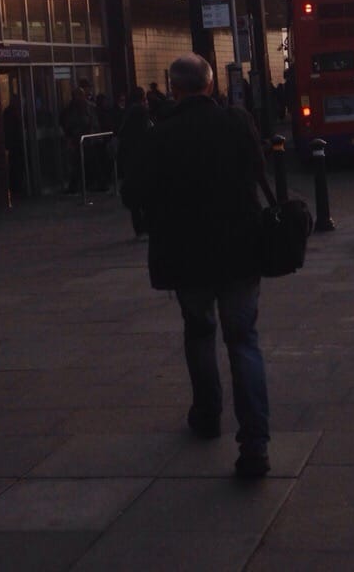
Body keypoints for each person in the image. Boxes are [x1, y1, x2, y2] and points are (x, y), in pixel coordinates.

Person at [123, 53, 272, 476]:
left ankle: (208, 415)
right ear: (211, 85)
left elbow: (133, 194)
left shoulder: (160, 135)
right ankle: (255, 445)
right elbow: (258, 170)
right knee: (243, 341)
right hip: (241, 251)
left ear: (174, 88)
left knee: (200, 332)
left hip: (187, 256)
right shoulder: (237, 122)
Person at [115, 86, 152, 237]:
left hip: (129, 156)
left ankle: (139, 226)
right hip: (140, 156)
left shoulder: (127, 111)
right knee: (145, 192)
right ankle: (144, 225)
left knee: (135, 192)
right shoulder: (140, 112)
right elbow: (146, 132)